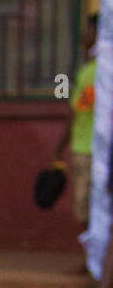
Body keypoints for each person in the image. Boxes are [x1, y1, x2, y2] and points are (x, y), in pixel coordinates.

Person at [55, 13, 99, 236]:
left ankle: (95, 259)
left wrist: (59, 147)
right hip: (90, 147)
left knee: (87, 206)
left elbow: (75, 112)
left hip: (87, 148)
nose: (85, 36)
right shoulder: (86, 69)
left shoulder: (92, 72)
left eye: (89, 31)